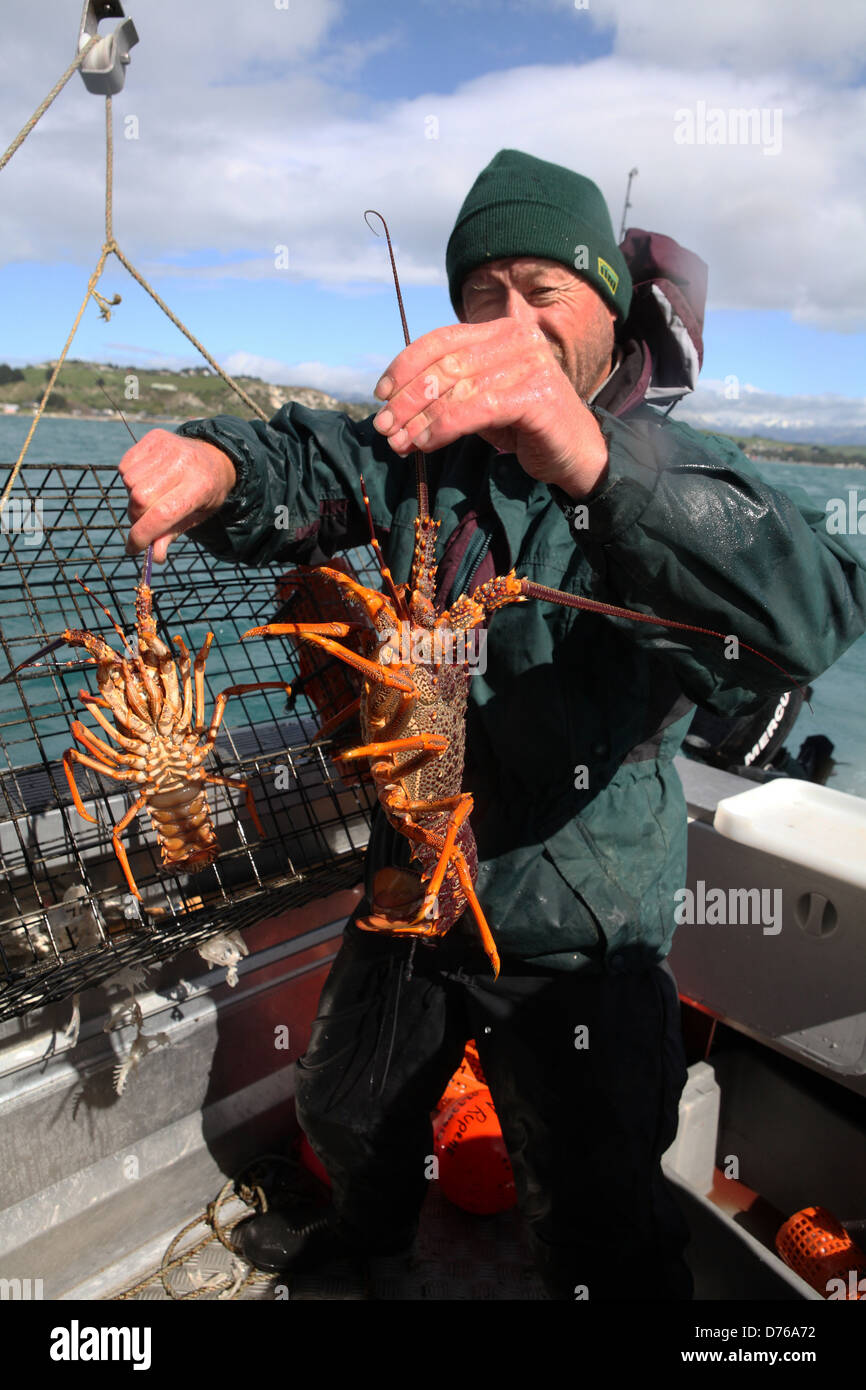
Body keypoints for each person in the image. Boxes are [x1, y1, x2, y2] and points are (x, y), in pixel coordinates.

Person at [119, 150, 866, 1299]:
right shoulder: (429, 452)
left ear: (609, 309)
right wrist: (220, 459)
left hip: (576, 912)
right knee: (348, 1109)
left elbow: (807, 609)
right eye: (481, 293)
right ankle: (359, 1260)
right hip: (408, 880)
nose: (507, 319)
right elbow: (313, 455)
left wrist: (588, 459)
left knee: (599, 1200)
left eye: (542, 288)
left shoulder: (685, 467)